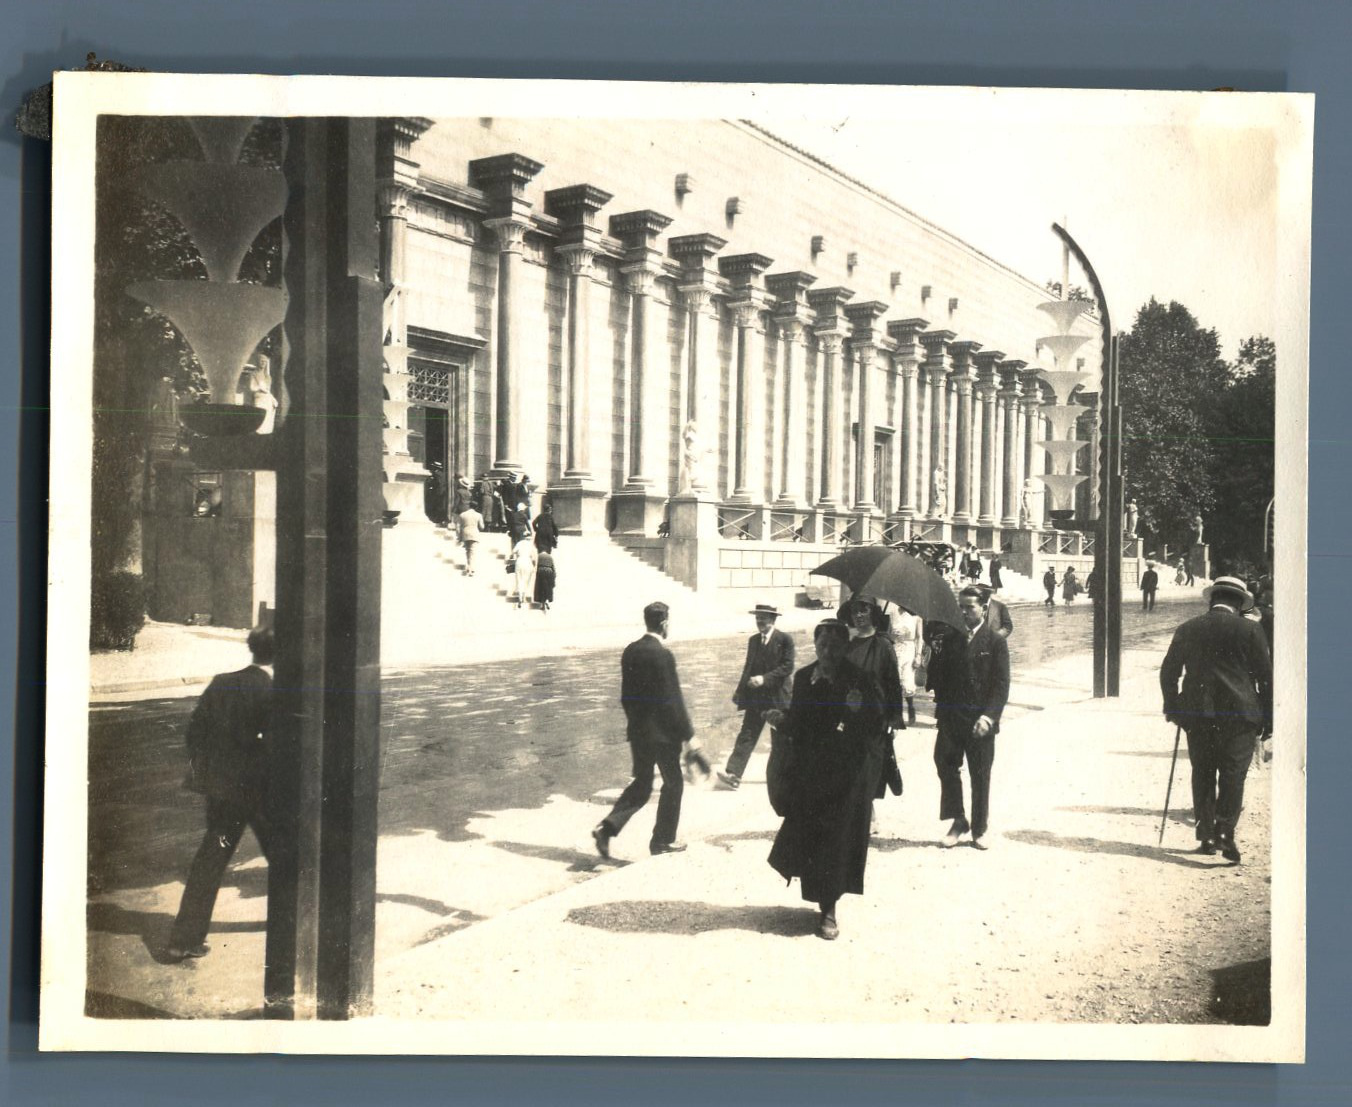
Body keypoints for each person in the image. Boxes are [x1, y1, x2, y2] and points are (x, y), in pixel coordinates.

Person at [765, 618, 886, 941]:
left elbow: (877, 726)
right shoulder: (805, 677)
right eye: (822, 645)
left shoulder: (860, 679)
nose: (828, 651)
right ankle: (820, 899)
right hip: (812, 773)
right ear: (815, 646)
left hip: (847, 777)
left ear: (845, 647)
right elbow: (800, 724)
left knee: (836, 843)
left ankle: (829, 910)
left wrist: (860, 710)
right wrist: (782, 721)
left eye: (834, 646)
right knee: (814, 839)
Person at [167, 625, 275, 960]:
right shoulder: (274, 690)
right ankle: (300, 924)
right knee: (287, 858)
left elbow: (195, 734)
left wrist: (213, 775)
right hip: (259, 793)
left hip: (224, 792)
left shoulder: (223, 682)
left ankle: (183, 940)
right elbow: (278, 746)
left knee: (211, 859)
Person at [1159, 576, 1272, 863]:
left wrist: (1173, 708)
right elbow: (1266, 678)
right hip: (1240, 714)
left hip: (1198, 714)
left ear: (1212, 600)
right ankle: (1225, 830)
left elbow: (1168, 673)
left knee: (1204, 772)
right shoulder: (1251, 630)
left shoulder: (1188, 628)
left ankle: (1206, 835)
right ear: (1239, 603)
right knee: (1234, 774)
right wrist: (1268, 718)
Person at [592, 602, 696, 859]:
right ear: (664, 623)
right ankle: (662, 841)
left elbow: (626, 697)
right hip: (663, 735)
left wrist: (637, 724)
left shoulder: (631, 651)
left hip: (639, 733)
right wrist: (688, 735)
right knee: (674, 784)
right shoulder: (663, 655)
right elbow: (673, 700)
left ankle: (607, 828)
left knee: (642, 783)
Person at [925, 586, 1011, 849]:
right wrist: (932, 654)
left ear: (983, 608)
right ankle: (959, 819)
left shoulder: (995, 640)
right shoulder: (949, 638)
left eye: (969, 607)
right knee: (944, 762)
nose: (963, 611)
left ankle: (979, 828)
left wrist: (989, 717)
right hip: (952, 716)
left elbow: (1001, 684)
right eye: (960, 607)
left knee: (980, 773)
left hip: (980, 719)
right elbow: (934, 681)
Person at [839, 596, 906, 832]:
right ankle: (866, 813)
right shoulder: (847, 646)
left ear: (873, 614)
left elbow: (893, 685)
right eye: (855, 611)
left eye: (864, 610)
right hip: (851, 716)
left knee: (870, 767)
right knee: (852, 765)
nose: (858, 615)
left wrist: (894, 719)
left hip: (876, 717)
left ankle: (868, 815)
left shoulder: (884, 646)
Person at [716, 604, 796, 791]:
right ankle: (733, 775)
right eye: (758, 618)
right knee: (747, 734)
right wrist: (739, 692)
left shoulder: (785, 639)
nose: (760, 622)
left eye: (764, 618)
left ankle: (790, 775)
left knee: (782, 739)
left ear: (773, 620)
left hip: (779, 698)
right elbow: (748, 667)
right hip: (757, 698)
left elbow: (787, 667)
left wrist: (764, 679)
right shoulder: (753, 641)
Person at [890, 604, 926, 726]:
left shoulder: (916, 616)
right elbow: (888, 634)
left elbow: (919, 637)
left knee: (907, 682)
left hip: (909, 650)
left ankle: (910, 707)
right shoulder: (893, 613)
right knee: (895, 681)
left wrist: (918, 655)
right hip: (895, 649)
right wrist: (893, 636)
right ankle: (897, 713)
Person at [458, 501, 484, 575]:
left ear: (469, 506)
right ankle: (471, 568)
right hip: (474, 534)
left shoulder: (462, 515)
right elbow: (482, 527)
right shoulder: (478, 515)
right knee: (473, 552)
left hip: (465, 533)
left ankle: (469, 566)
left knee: (467, 551)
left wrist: (460, 537)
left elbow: (460, 527)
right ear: (476, 507)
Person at [511, 536, 536, 609]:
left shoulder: (519, 543)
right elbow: (533, 557)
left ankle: (520, 597)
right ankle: (524, 596)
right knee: (526, 580)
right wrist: (534, 566)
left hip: (519, 561)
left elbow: (513, 551)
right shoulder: (531, 545)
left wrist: (516, 556)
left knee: (519, 580)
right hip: (528, 562)